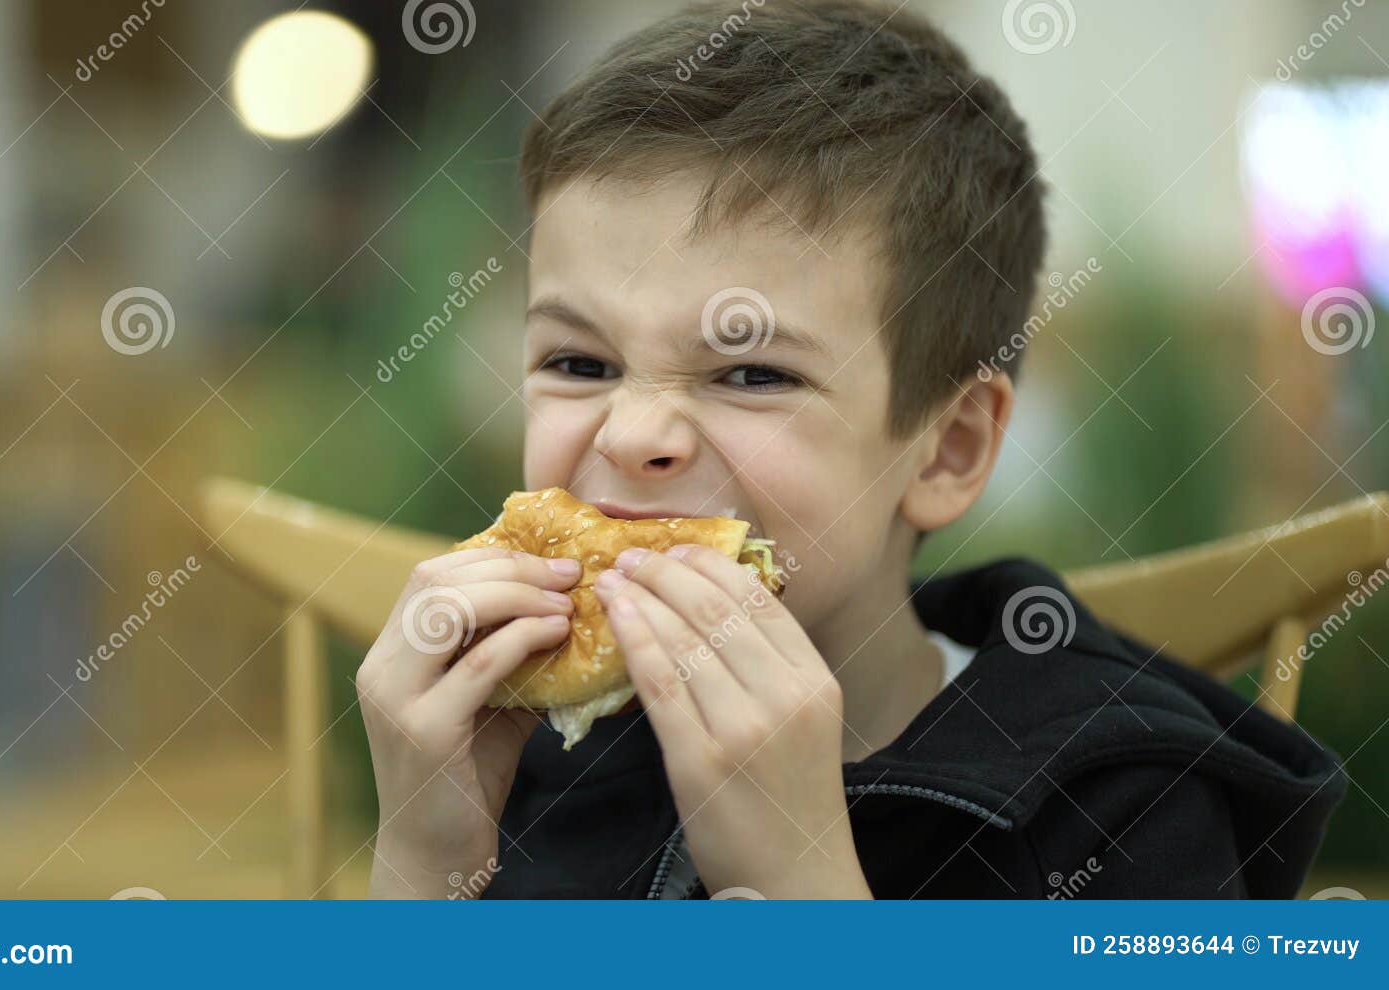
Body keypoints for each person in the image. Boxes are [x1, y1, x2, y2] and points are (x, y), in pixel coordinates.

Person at [355, 0, 1344, 899]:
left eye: (751, 374)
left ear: (945, 450)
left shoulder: (1126, 806)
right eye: (578, 361)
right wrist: (424, 868)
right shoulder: (528, 747)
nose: (633, 433)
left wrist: (805, 893)